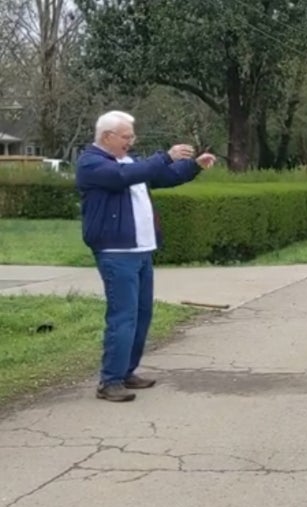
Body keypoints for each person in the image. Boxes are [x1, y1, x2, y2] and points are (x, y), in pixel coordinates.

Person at [76, 110, 216, 402]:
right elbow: (123, 177)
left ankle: (126, 372)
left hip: (141, 251)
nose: (131, 141)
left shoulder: (129, 161)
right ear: (107, 137)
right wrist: (165, 155)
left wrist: (194, 166)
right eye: (126, 136)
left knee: (142, 315)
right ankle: (110, 381)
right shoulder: (92, 163)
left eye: (132, 136)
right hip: (116, 252)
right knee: (123, 317)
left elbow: (162, 176)